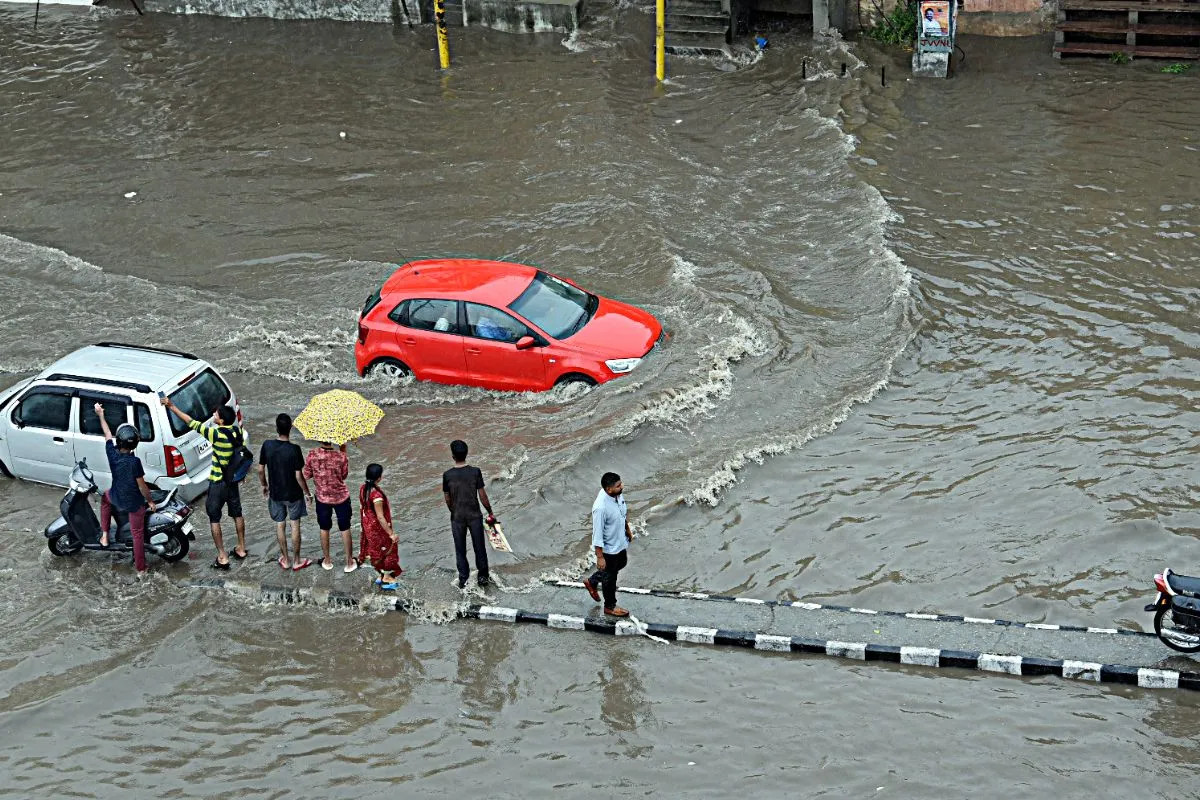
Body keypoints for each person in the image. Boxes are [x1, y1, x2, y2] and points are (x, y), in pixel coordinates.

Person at [163, 398, 248, 569]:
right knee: (237, 514)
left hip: (217, 483)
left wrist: (171, 406)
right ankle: (241, 548)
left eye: (216, 414)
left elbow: (190, 422)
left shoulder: (216, 434)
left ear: (221, 420)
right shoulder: (236, 431)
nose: (213, 415)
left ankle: (222, 556)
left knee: (214, 518)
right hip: (232, 481)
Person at [94, 403, 156, 572]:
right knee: (138, 534)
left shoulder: (112, 454)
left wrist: (100, 413)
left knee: (105, 498)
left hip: (116, 497)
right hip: (134, 504)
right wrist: (150, 501)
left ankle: (105, 535)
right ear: (135, 445)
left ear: (119, 441)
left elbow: (107, 433)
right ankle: (141, 569)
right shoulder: (135, 462)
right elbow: (142, 487)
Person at [259, 413, 313, 571]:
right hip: (294, 495)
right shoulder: (295, 449)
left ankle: (286, 560)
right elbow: (299, 476)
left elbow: (261, 470)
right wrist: (308, 493)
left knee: (280, 525)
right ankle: (297, 561)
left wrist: (264, 485)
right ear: (290, 428)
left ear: (276, 428)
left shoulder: (267, 445)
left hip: (275, 494)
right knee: (294, 525)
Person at [442, 439, 494, 589]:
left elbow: (447, 498)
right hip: (474, 515)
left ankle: (463, 580)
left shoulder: (447, 475)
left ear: (452, 456)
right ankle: (483, 577)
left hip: (457, 517)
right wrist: (490, 512)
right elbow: (482, 495)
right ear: (467, 454)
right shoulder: (475, 471)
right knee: (479, 548)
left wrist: (454, 511)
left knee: (460, 550)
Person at [582, 472, 633, 617]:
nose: (622, 486)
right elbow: (597, 534)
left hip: (620, 541)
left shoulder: (617, 495)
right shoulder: (600, 508)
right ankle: (609, 606)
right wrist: (600, 557)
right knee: (610, 577)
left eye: (621, 483)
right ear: (609, 489)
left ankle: (592, 581)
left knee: (621, 563)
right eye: (618, 485)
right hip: (609, 548)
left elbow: (622, 513)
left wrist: (627, 529)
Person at [303, 441, 356, 572]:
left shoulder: (312, 455)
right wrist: (343, 450)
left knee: (324, 528)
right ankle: (349, 562)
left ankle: (327, 560)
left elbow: (306, 475)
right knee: (345, 527)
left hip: (322, 498)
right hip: (341, 497)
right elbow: (343, 476)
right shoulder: (341, 456)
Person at [358, 463, 401, 590]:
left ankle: (380, 575)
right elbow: (381, 517)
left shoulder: (363, 488)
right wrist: (391, 533)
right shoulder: (376, 495)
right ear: (379, 478)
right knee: (389, 550)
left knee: (376, 550)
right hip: (377, 528)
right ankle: (387, 577)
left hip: (368, 526)